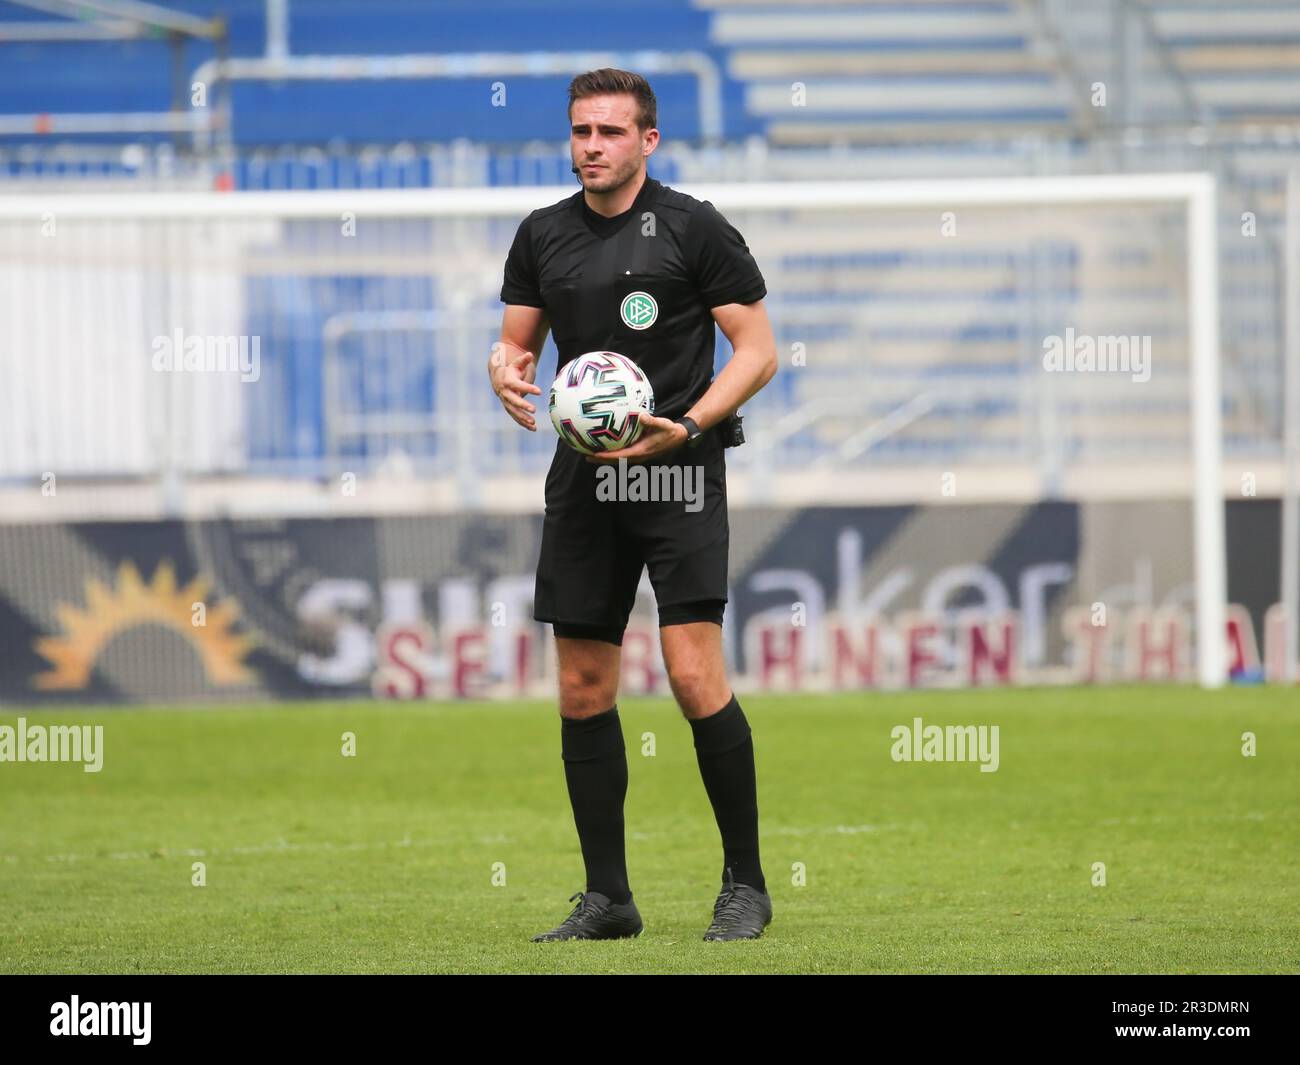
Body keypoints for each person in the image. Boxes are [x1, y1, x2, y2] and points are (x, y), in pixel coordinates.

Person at [490, 68, 779, 941]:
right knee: (582, 685)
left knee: (693, 676)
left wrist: (687, 425)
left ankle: (746, 884)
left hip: (677, 468)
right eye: (581, 131)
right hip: (585, 479)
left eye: (611, 133)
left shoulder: (693, 227)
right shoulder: (542, 234)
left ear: (647, 141)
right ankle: (609, 898)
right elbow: (514, 345)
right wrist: (502, 371)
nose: (591, 147)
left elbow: (759, 350)